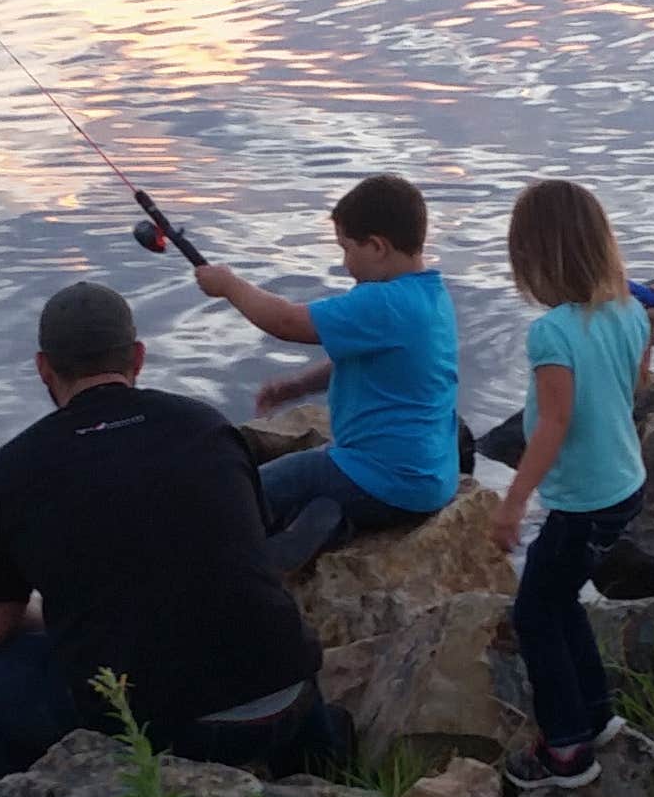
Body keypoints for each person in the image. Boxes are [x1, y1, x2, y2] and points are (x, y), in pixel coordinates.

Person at [0, 280, 343, 787]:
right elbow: (243, 551)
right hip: (286, 703)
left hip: (169, 733)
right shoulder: (208, 426)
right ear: (137, 356)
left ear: (43, 368)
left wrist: (57, 611)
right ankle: (324, 775)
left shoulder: (11, 469)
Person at [193, 173, 460, 573]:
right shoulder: (431, 296)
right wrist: (299, 386)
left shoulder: (382, 302)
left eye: (347, 249)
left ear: (377, 247)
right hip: (430, 481)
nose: (344, 262)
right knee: (318, 486)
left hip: (382, 476)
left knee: (246, 492)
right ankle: (331, 520)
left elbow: (286, 321)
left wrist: (229, 285)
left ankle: (256, 563)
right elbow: (368, 359)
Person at [490, 179, 654, 791]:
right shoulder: (630, 312)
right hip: (624, 487)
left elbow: (555, 423)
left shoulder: (553, 333)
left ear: (537, 260)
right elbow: (636, 386)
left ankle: (565, 749)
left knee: (535, 612)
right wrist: (652, 329)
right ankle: (597, 714)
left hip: (583, 501)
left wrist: (513, 503)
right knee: (560, 599)